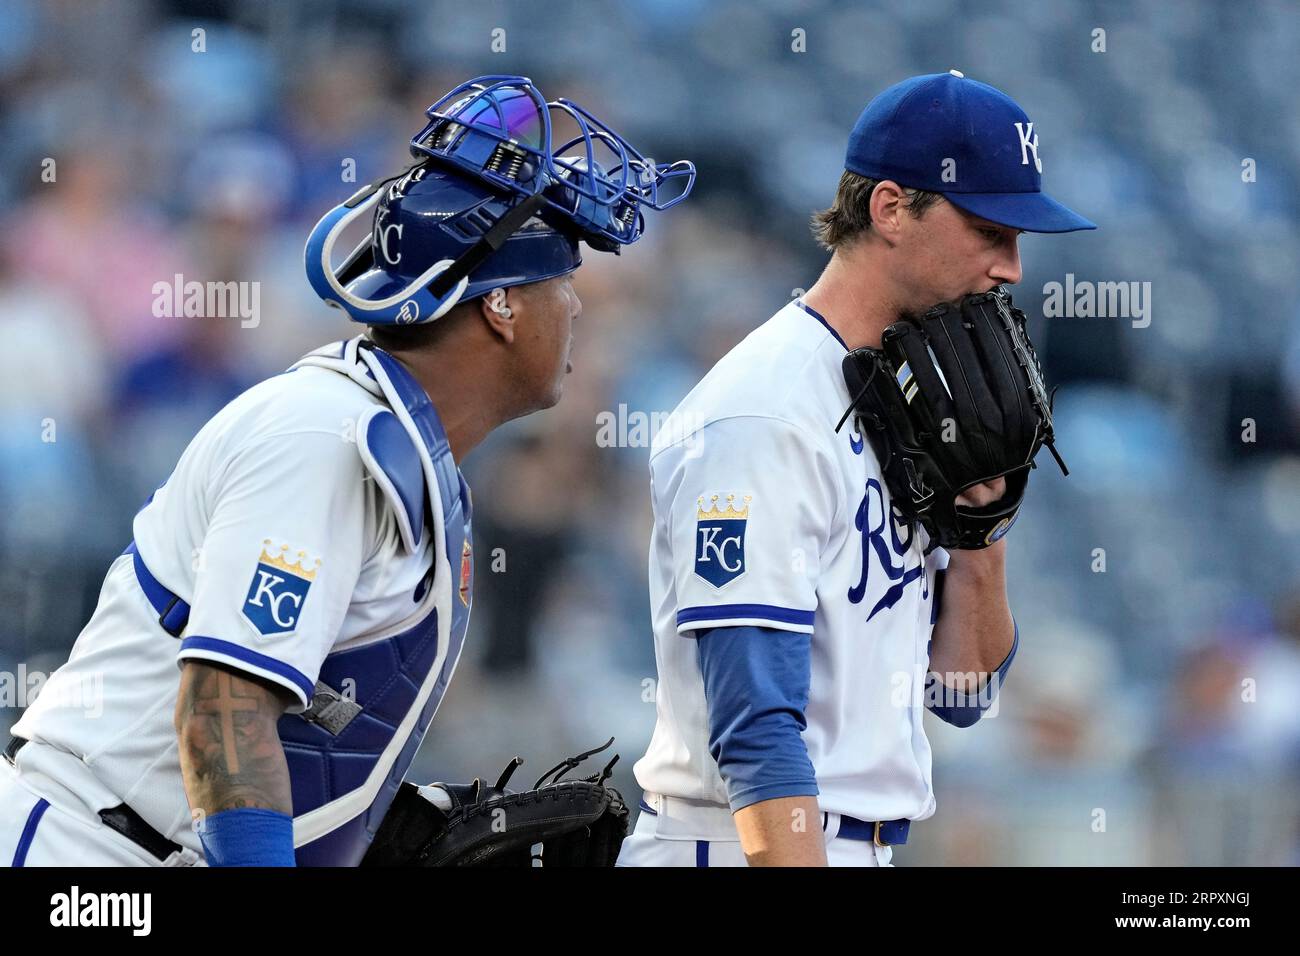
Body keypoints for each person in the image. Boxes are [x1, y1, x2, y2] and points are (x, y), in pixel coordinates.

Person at [0, 75, 693, 867]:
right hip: (86, 856)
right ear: (499, 306)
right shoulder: (325, 436)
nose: (575, 308)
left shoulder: (411, 459)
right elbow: (223, 709)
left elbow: (307, 732)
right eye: (561, 281)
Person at [617, 71, 1095, 867]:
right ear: (891, 208)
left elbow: (963, 697)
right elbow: (755, 730)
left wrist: (981, 532)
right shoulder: (764, 413)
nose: (1012, 267)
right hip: (744, 849)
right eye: (989, 231)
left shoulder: (913, 398)